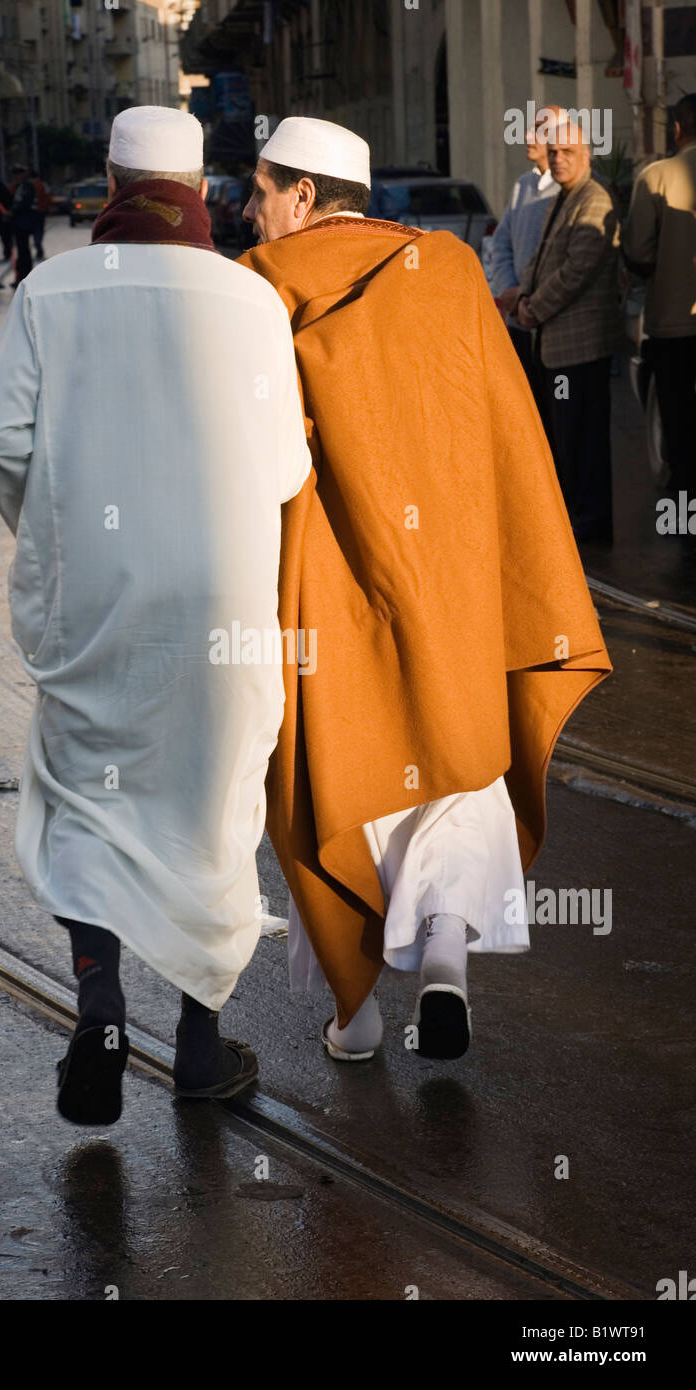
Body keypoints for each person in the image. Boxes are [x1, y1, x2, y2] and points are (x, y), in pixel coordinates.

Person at [0, 107, 311, 1123]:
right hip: (219, 603)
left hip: (94, 602)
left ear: (109, 182)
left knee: (86, 800)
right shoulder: (249, 300)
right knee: (212, 810)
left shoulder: (50, 289)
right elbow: (287, 468)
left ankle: (101, 998)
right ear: (201, 187)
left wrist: (58, 529)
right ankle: (200, 1048)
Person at [238, 116, 611, 1061]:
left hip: (328, 580)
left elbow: (255, 450)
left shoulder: (262, 286)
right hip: (452, 570)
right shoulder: (445, 271)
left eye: (261, 190)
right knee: (460, 759)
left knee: (334, 775)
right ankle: (446, 952)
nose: (250, 209)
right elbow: (504, 427)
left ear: (306, 197)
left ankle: (354, 1013)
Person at [517, 111, 624, 545]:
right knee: (563, 438)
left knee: (583, 440)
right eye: (555, 151)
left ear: (587, 156)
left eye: (568, 153)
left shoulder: (593, 198)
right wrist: (523, 297)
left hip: (578, 348)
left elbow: (577, 271)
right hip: (553, 344)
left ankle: (591, 525)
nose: (558, 159)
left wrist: (533, 309)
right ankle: (574, 518)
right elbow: (542, 259)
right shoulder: (563, 195)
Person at [622, 92, 696, 501]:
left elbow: (638, 253)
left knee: (680, 428)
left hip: (672, 329)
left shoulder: (656, 175)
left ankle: (688, 529)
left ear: (678, 129)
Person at [491, 105, 560, 381]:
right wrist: (509, 289)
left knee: (556, 410)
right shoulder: (522, 185)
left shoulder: (568, 190)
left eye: (540, 130)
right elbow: (501, 241)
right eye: (531, 128)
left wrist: (531, 300)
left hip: (551, 323)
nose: (529, 135)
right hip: (518, 320)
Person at [9, 164, 37, 286]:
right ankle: (21, 276)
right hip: (18, 224)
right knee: (21, 251)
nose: (17, 177)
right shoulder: (18, 187)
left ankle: (24, 277)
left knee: (24, 251)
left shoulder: (27, 186)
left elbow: (24, 203)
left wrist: (12, 212)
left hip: (24, 223)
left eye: (18, 174)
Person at [32, 170, 50, 260]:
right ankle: (38, 246)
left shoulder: (27, 185)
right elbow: (47, 197)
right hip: (41, 211)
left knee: (36, 231)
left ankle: (37, 246)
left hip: (32, 212)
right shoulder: (42, 185)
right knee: (39, 230)